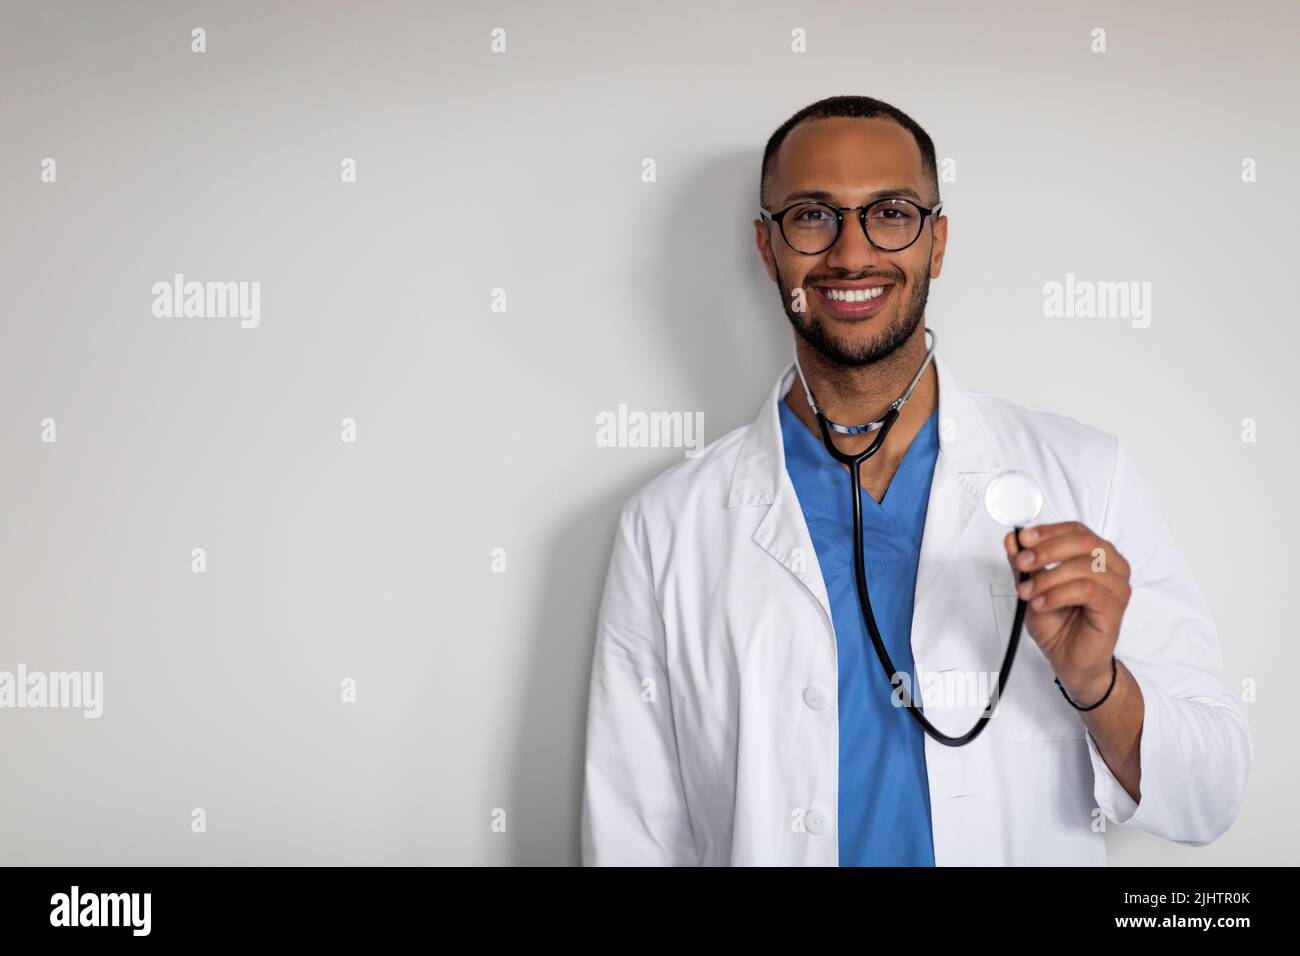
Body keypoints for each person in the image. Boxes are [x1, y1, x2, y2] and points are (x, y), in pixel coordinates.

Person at [579, 95, 1251, 866]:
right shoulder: (668, 526)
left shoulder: (1085, 476)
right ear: (767, 250)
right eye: (811, 215)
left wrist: (1097, 682)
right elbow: (633, 835)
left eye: (891, 213)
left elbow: (1212, 792)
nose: (852, 253)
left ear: (936, 241)